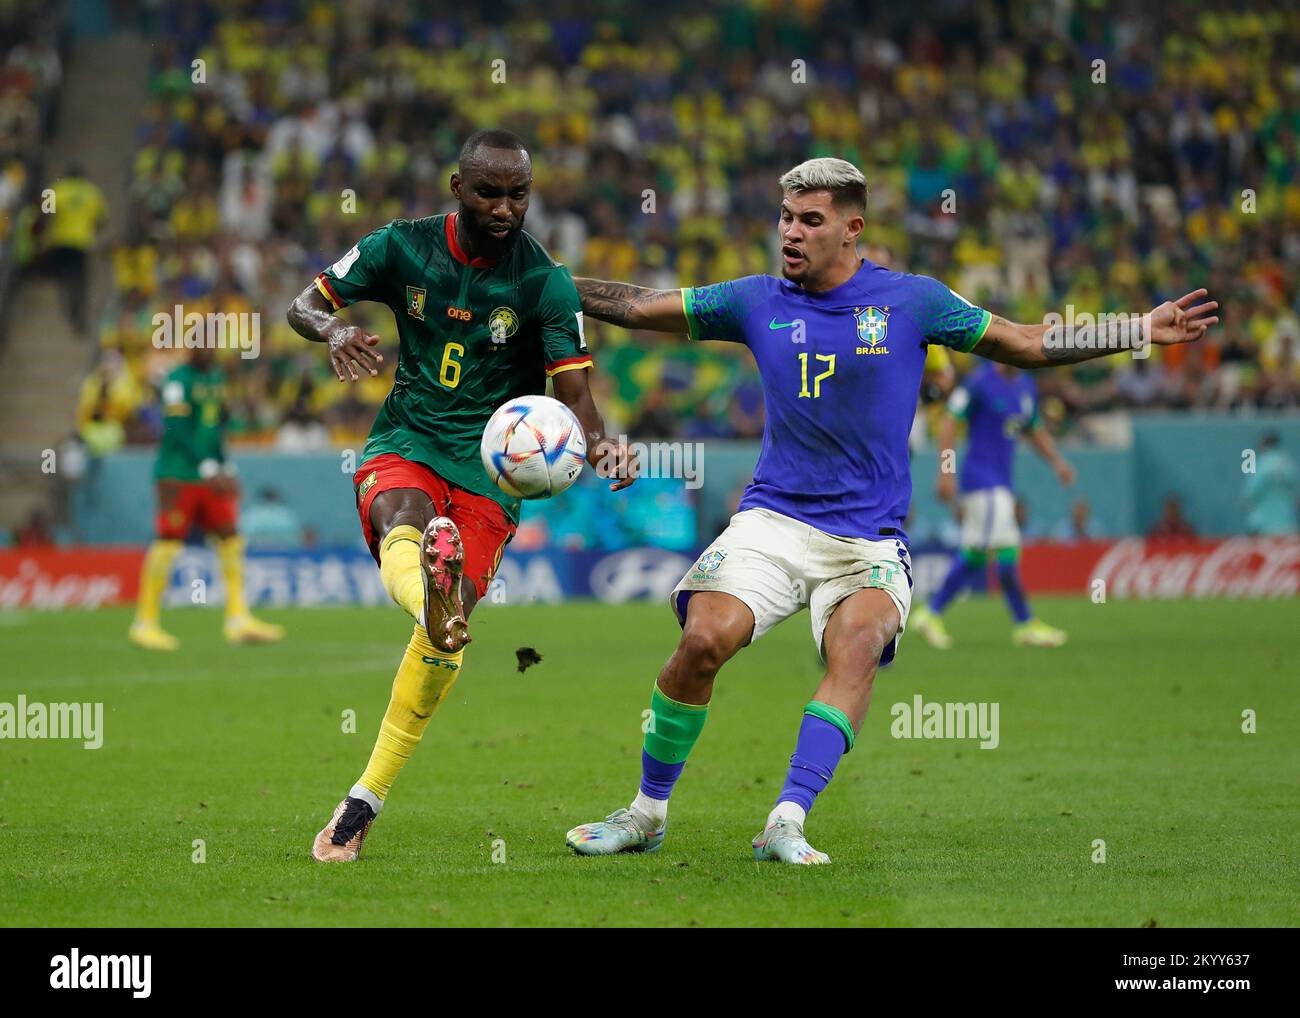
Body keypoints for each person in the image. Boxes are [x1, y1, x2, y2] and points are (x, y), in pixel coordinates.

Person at [564, 157, 1218, 865]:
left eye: (810, 221)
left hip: (868, 541)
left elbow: (1027, 343)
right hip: (772, 522)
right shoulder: (754, 299)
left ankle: (787, 818)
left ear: (852, 228)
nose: (791, 233)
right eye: (785, 218)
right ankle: (647, 812)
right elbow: (637, 304)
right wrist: (550, 285)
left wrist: (1136, 330)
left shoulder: (913, 302)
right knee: (701, 643)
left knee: (858, 646)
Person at [286, 129, 635, 863]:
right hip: (407, 438)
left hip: (492, 472)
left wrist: (600, 443)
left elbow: (576, 392)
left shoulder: (546, 282)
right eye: (489, 191)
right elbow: (303, 304)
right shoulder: (400, 247)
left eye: (519, 193)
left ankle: (363, 798)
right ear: (457, 187)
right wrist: (335, 327)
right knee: (402, 526)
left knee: (446, 639)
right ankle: (428, 601)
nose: (506, 207)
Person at [909, 362, 1076, 650]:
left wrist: (1057, 462)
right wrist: (946, 471)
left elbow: (1033, 429)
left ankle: (930, 613)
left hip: (1002, 482)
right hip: (983, 482)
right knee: (1006, 546)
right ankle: (1025, 623)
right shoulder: (979, 382)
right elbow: (949, 421)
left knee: (975, 553)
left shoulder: (1025, 386)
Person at [129, 347, 285, 650]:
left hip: (210, 472)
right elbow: (176, 428)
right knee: (169, 541)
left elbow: (214, 426)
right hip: (177, 473)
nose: (209, 349)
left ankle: (238, 618)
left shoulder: (215, 377)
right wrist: (206, 463)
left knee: (230, 539)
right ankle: (144, 622)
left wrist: (223, 462)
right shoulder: (176, 380)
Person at [45, 164, 106, 335]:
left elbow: (46, 213)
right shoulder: (92, 192)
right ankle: (79, 312)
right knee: (80, 279)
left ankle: (69, 308)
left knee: (64, 277)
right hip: (82, 241)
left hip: (61, 239)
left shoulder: (58, 189)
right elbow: (101, 219)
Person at [1244, 432, 1298, 535]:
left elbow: (1249, 497)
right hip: (1288, 526)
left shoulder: (1261, 465)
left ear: (1264, 445)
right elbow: (1297, 499)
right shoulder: (1290, 465)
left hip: (1263, 527)